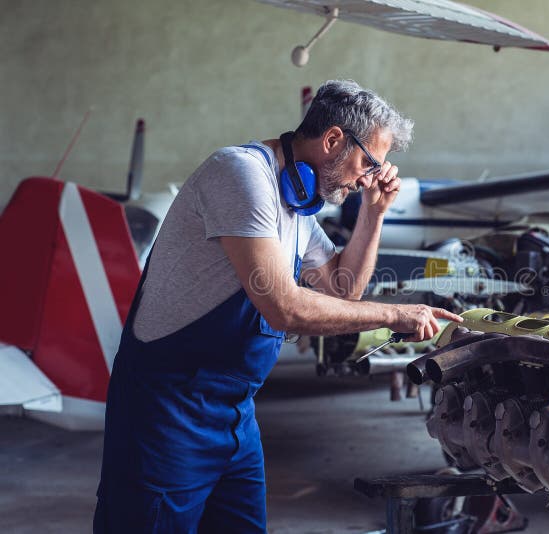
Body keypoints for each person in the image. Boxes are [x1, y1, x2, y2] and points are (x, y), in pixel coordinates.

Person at [93, 80, 462, 533]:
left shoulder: (298, 207)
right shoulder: (241, 174)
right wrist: (396, 313)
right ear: (332, 140)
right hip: (168, 410)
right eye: (369, 163)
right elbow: (283, 307)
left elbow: (342, 288)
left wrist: (374, 210)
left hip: (235, 413)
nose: (368, 176)